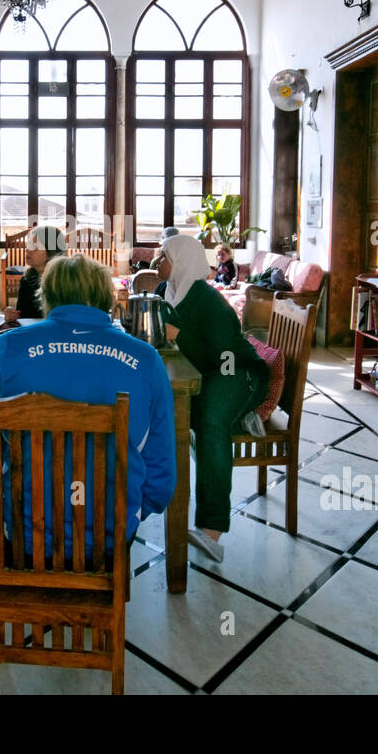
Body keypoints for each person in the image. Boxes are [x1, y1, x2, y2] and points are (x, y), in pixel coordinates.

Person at [0, 254, 176, 559]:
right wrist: (130, 516)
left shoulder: (7, 348)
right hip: (110, 537)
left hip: (24, 534)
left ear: (48, 296)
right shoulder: (146, 359)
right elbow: (161, 470)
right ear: (104, 297)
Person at [158, 233, 267, 562]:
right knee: (174, 407)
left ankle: (212, 528)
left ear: (181, 262)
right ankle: (244, 417)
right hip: (211, 370)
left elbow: (226, 358)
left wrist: (182, 336)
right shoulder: (168, 291)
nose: (158, 263)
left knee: (210, 422)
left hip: (238, 372)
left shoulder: (207, 300)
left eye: (165, 257)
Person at [2, 224, 66, 323]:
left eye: (35, 246)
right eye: (29, 245)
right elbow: (23, 316)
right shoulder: (27, 278)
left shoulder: (66, 280)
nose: (27, 249)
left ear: (52, 252)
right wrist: (11, 314)